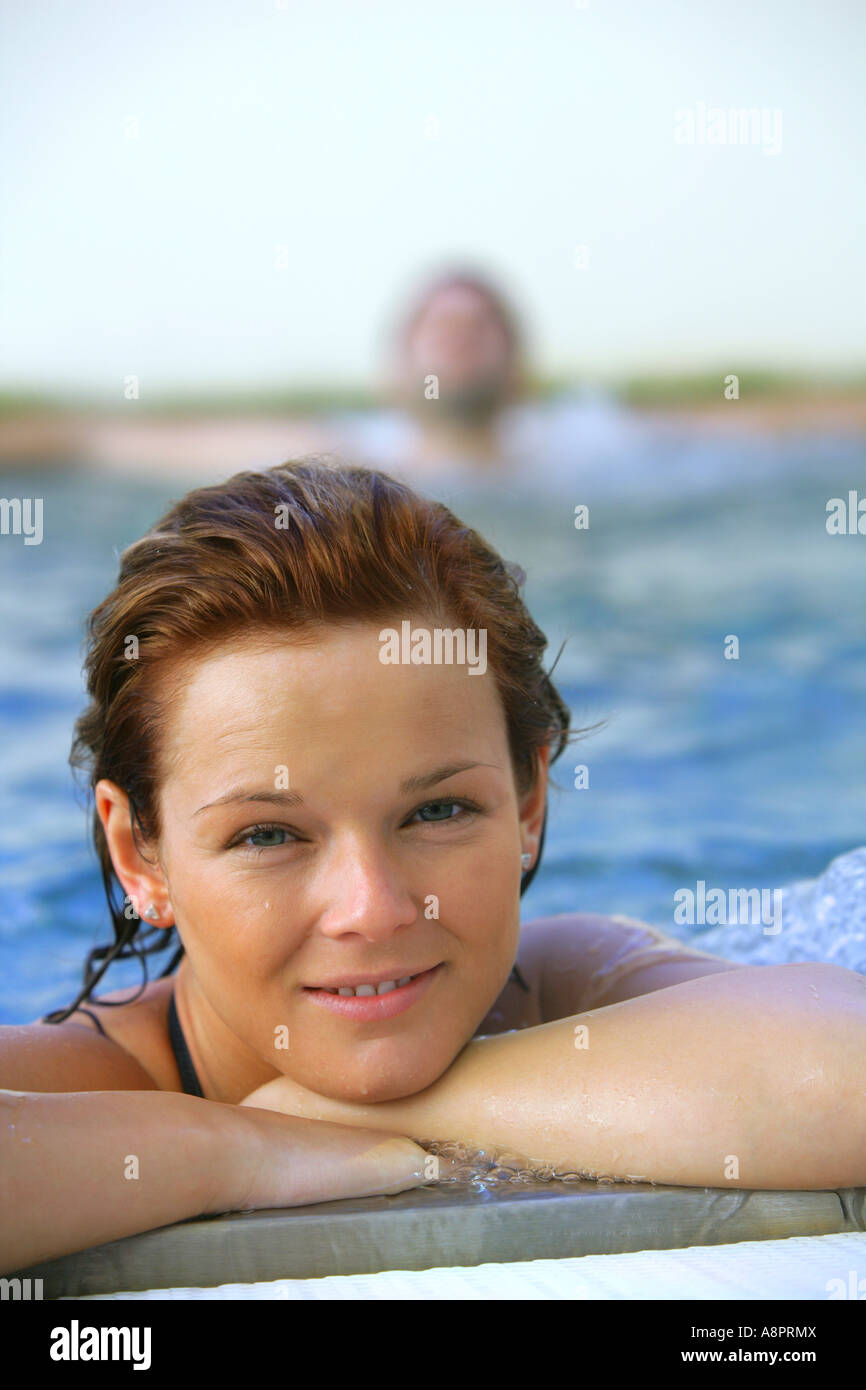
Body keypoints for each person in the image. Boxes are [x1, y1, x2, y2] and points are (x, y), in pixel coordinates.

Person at [2, 457, 865, 1273]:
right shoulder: (90, 1079)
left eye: (438, 811)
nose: (373, 910)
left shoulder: (559, 988)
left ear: (529, 803)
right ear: (136, 856)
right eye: (268, 835)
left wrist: (354, 1114)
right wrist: (235, 1145)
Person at [330, 267, 641, 493]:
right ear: (395, 372)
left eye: (479, 327)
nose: (461, 338)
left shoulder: (574, 457)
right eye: (442, 328)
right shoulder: (347, 462)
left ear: (517, 372)